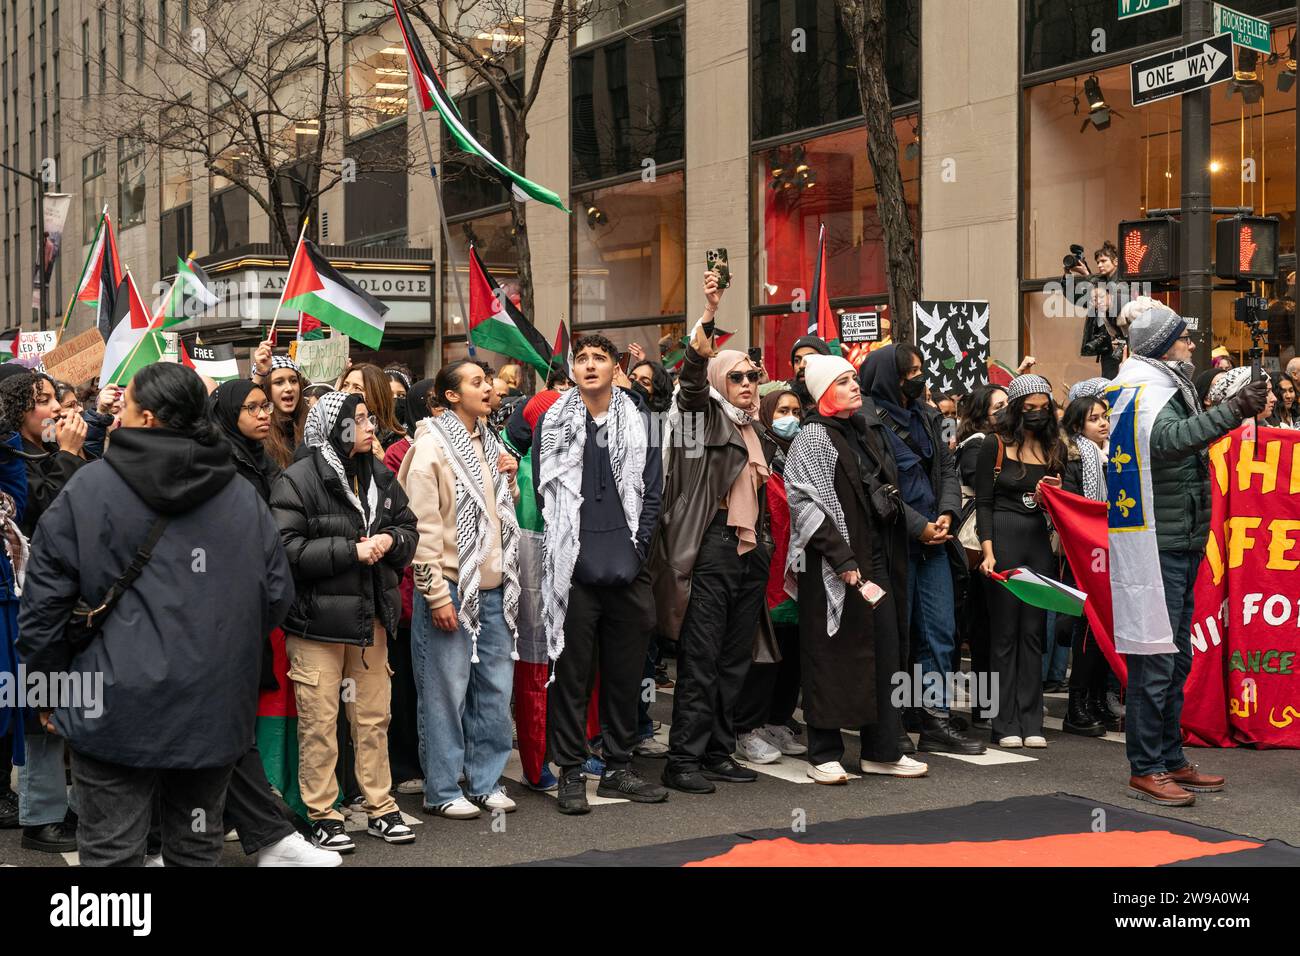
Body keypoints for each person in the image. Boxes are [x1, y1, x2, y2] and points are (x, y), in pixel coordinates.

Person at [17, 363, 293, 866]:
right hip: (212, 705)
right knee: (195, 847)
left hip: (110, 704)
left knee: (111, 851)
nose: (114, 410)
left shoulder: (88, 489)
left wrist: (45, 688)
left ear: (144, 417)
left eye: (124, 405)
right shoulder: (240, 497)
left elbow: (43, 608)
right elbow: (275, 597)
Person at [1107, 301, 1267, 806]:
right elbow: (1171, 443)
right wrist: (1234, 410)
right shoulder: (1143, 391)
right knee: (1155, 658)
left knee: (1175, 658)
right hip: (1157, 542)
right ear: (1160, 345)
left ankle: (1170, 755)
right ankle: (1145, 766)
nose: (1193, 343)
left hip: (1179, 537)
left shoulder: (1164, 386)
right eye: (1183, 337)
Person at [271, 390, 419, 851]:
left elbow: (409, 528)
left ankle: (381, 806)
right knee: (320, 722)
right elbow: (285, 550)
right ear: (336, 427)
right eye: (360, 418)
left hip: (369, 621)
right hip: (315, 625)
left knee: (374, 719)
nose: (371, 424)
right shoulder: (297, 479)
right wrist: (352, 551)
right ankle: (323, 813)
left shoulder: (379, 475)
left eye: (371, 417)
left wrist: (391, 543)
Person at [534, 334, 667, 814]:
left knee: (626, 675)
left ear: (616, 368)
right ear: (573, 369)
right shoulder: (552, 423)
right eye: (582, 359)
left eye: (599, 359)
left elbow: (653, 494)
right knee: (571, 675)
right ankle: (569, 772)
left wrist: (638, 552)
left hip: (628, 566)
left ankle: (617, 768)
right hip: (572, 568)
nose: (589, 366)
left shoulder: (641, 421)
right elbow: (546, 495)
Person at [207, 380, 339, 866]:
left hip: (251, 612)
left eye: (267, 406)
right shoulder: (219, 462)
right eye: (253, 407)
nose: (264, 414)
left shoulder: (262, 459)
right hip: (222, 615)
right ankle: (264, 834)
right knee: (224, 730)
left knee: (230, 731)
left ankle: (265, 834)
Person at [651, 269, 771, 794]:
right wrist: (708, 314)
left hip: (750, 551)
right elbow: (693, 380)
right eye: (739, 377)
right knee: (700, 661)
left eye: (753, 376)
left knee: (732, 660)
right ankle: (683, 760)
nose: (748, 384)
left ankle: (719, 751)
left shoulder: (756, 427)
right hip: (713, 547)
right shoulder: (702, 419)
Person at [785, 356, 922, 782]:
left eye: (853, 380)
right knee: (831, 652)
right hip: (830, 561)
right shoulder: (811, 437)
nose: (854, 386)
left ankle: (881, 749)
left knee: (882, 649)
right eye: (843, 382)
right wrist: (842, 559)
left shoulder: (861, 429)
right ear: (823, 392)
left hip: (874, 552)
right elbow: (804, 504)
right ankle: (823, 752)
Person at [396, 360, 520, 820]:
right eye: (477, 382)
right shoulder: (430, 447)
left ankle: (486, 781)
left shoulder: (490, 441)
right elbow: (422, 530)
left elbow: (499, 512)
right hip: (451, 588)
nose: (489, 388)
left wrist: (509, 474)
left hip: (492, 587)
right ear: (451, 396)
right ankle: (443, 788)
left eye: (488, 380)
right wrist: (436, 595)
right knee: (445, 692)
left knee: (493, 687)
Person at [858, 346, 984, 755]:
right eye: (906, 372)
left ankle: (935, 720)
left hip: (936, 541)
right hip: (895, 542)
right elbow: (872, 484)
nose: (917, 377)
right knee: (897, 634)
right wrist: (917, 526)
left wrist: (947, 513)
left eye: (919, 369)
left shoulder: (928, 415)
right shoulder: (864, 420)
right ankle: (892, 721)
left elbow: (946, 468)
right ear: (884, 377)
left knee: (940, 631)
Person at [2, 370, 86, 853]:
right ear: (16, 410)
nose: (55, 409)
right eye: (42, 401)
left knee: (69, 700)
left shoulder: (50, 451)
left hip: (67, 600)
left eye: (56, 399)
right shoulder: (12, 458)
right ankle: (41, 816)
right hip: (31, 599)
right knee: (42, 701)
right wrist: (70, 457)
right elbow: (45, 517)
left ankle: (66, 804)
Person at [975, 374, 1062, 749]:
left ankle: (1031, 720)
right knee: (1004, 634)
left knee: (1033, 632)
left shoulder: (1054, 448)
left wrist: (1054, 496)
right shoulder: (993, 445)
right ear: (1016, 409)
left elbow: (1066, 503)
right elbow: (983, 502)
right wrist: (989, 550)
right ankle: (1003, 720)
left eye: (1045, 408)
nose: (1038, 414)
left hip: (1038, 541)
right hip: (1004, 540)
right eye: (1030, 408)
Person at [734, 388, 807, 764]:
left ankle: (779, 719)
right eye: (782, 409)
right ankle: (748, 728)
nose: (790, 416)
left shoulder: (802, 457)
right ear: (766, 412)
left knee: (792, 654)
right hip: (766, 570)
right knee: (762, 652)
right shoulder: (757, 452)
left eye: (796, 410)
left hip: (797, 570)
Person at [954, 384, 1008, 727]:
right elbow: (982, 484)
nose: (1005, 412)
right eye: (997, 407)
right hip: (978, 547)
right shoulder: (975, 446)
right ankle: (985, 707)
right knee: (984, 629)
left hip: (1003, 540)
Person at [1060, 382, 1112, 737]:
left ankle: (1096, 700)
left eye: (1104, 417)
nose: (1103, 424)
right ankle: (1075, 706)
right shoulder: (1073, 459)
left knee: (1104, 629)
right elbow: (1074, 508)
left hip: (1108, 553)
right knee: (1087, 630)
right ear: (1078, 426)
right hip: (1083, 555)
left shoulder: (1111, 455)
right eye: (1094, 419)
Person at [342, 362, 407, 453]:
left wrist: (384, 459)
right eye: (345, 385)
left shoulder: (398, 441)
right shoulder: (336, 427)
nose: (347, 392)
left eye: (357, 388)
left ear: (376, 396)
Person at [261, 355, 308, 470]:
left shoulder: (312, 425)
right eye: (279, 382)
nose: (289, 388)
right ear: (265, 389)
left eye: (293, 381)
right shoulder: (259, 431)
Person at [787, 335, 832, 414]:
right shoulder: (788, 397)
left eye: (809, 358)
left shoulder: (845, 393)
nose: (801, 366)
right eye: (797, 360)